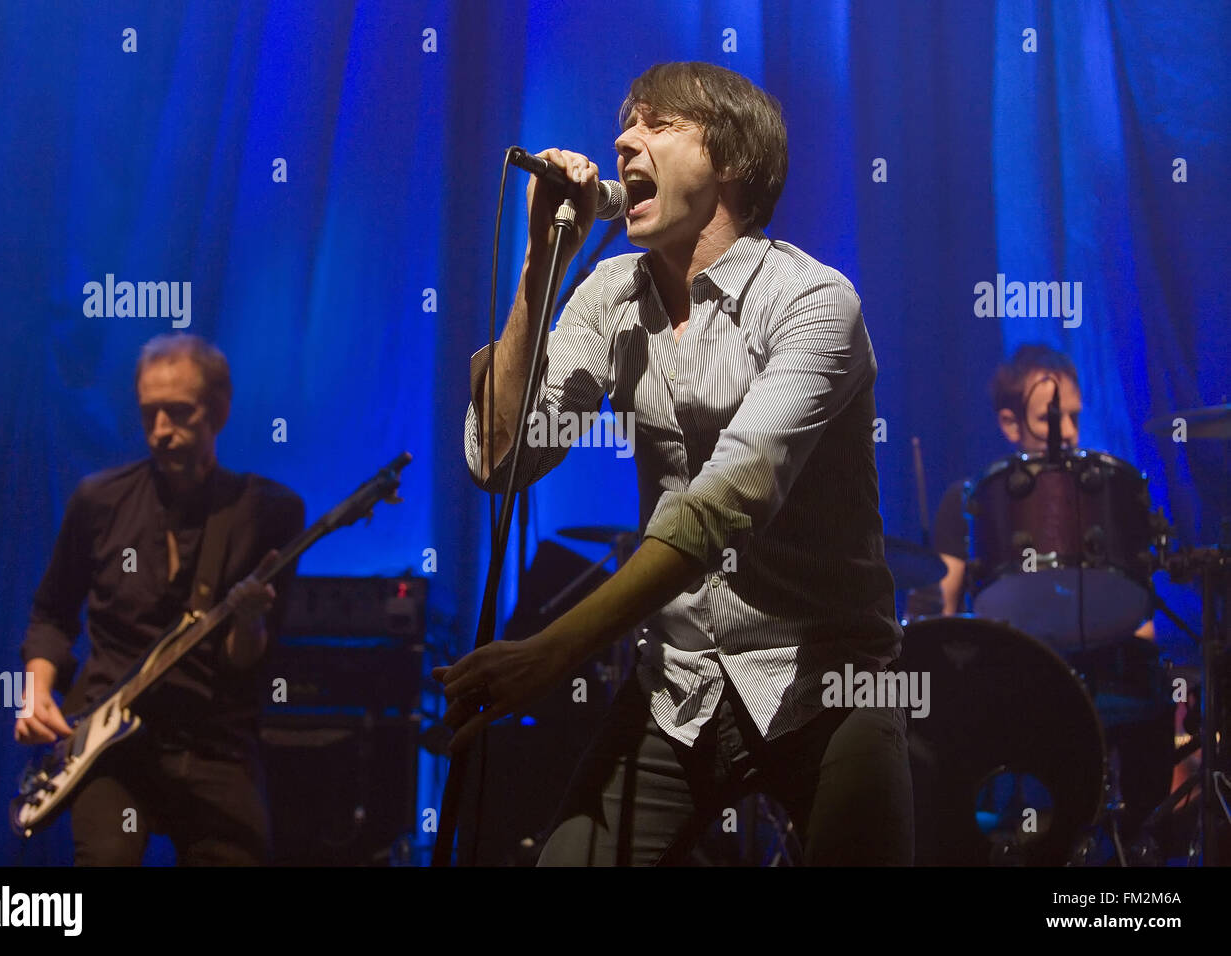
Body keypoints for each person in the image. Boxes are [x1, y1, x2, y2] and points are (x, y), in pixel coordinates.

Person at [436, 62, 911, 865]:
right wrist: (541, 267)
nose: (623, 139)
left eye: (657, 124)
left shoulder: (813, 302)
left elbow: (722, 505)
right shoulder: (612, 292)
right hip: (678, 686)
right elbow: (502, 458)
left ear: (729, 159)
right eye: (626, 124)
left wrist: (554, 650)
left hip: (824, 680)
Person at [15, 333, 305, 865]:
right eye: (149, 414)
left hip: (212, 738)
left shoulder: (268, 513)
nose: (160, 433)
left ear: (219, 411)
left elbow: (246, 660)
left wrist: (248, 622)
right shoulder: (99, 501)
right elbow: (52, 612)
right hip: (107, 742)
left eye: (178, 413)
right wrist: (36, 692)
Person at [928, 343, 1169, 845]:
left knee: (1156, 689)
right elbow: (937, 612)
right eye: (1051, 418)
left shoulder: (1098, 489)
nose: (1069, 431)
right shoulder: (971, 500)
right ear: (1011, 425)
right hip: (1011, 681)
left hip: (1100, 677)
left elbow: (1138, 626)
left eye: (1074, 417)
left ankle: (1141, 845)